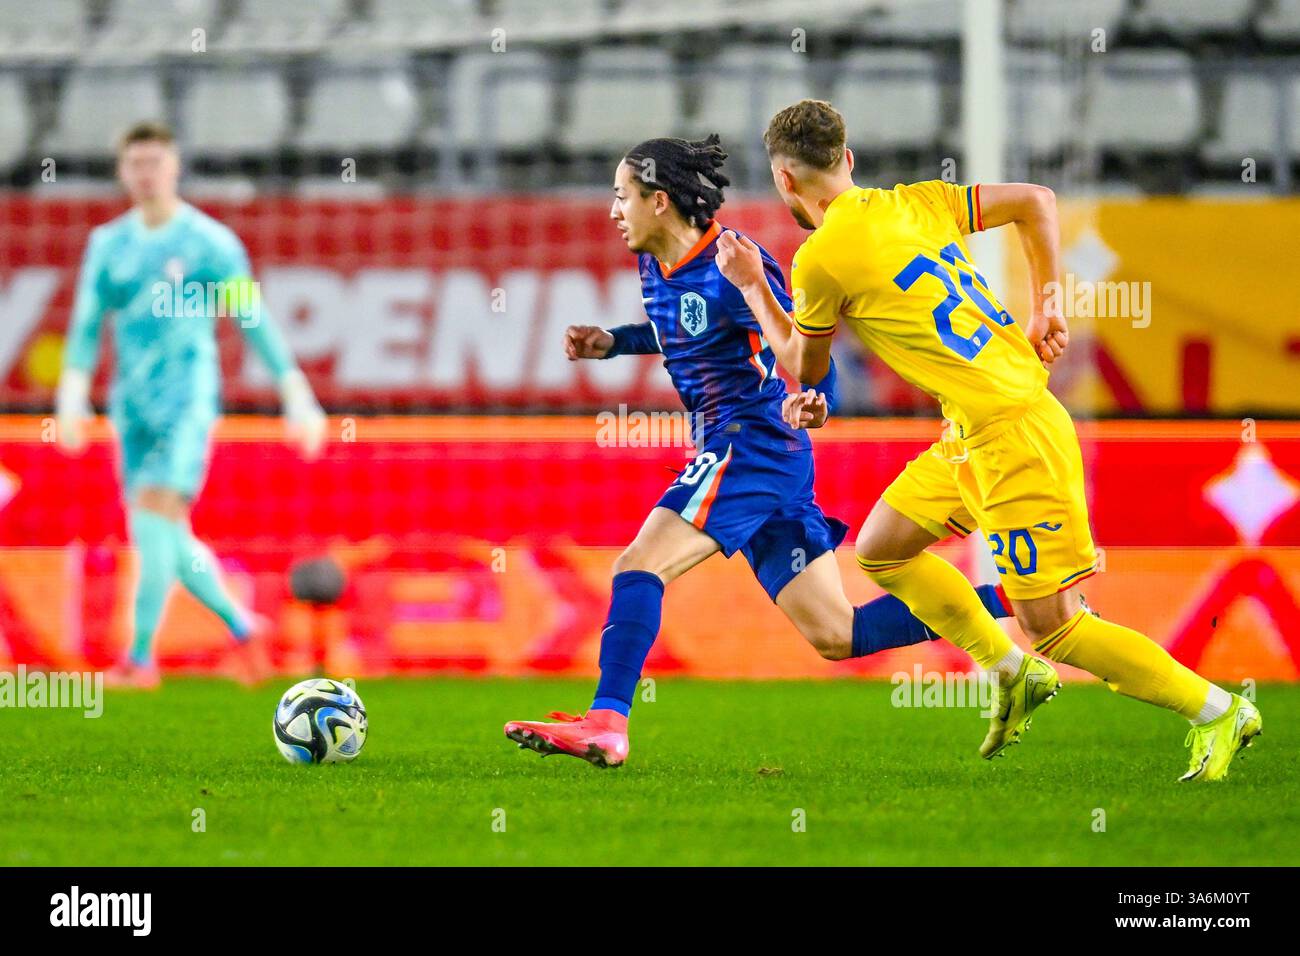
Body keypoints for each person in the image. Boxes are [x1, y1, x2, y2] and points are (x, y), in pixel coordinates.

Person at [714, 99, 1259, 780]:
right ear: (847, 161)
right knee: (882, 549)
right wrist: (1048, 304)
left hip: (1013, 433)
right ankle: (1010, 672)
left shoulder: (820, 260)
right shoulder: (917, 202)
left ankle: (1216, 710)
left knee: (1055, 626)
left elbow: (804, 366)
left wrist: (751, 287)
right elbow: (1036, 200)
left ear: (786, 182)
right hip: (972, 430)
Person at [503, 135, 1014, 768]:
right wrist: (612, 342)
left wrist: (816, 399)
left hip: (748, 440)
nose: (613, 210)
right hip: (768, 456)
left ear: (659, 201)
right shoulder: (653, 261)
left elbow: (807, 343)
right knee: (838, 633)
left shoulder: (734, 264)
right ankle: (1024, 597)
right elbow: (681, 332)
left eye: (621, 196)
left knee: (638, 566)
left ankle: (607, 723)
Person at [55, 121, 327, 688]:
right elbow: (84, 327)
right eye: (136, 163)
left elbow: (251, 319)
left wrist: (294, 391)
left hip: (187, 398)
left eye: (156, 161)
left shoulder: (211, 243)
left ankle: (139, 658)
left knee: (155, 512)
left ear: (174, 167)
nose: (147, 173)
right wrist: (71, 395)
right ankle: (241, 625)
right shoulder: (108, 245)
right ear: (122, 171)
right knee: (161, 531)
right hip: (130, 405)